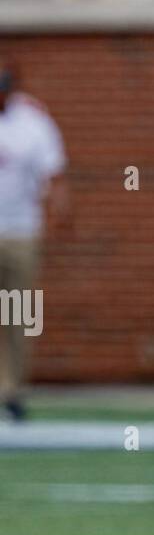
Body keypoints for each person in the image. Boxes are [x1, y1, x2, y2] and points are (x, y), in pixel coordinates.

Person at [0, 62, 69, 419]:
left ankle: (11, 389)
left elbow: (53, 172)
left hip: (19, 231)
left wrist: (57, 214)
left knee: (16, 311)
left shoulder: (32, 121)